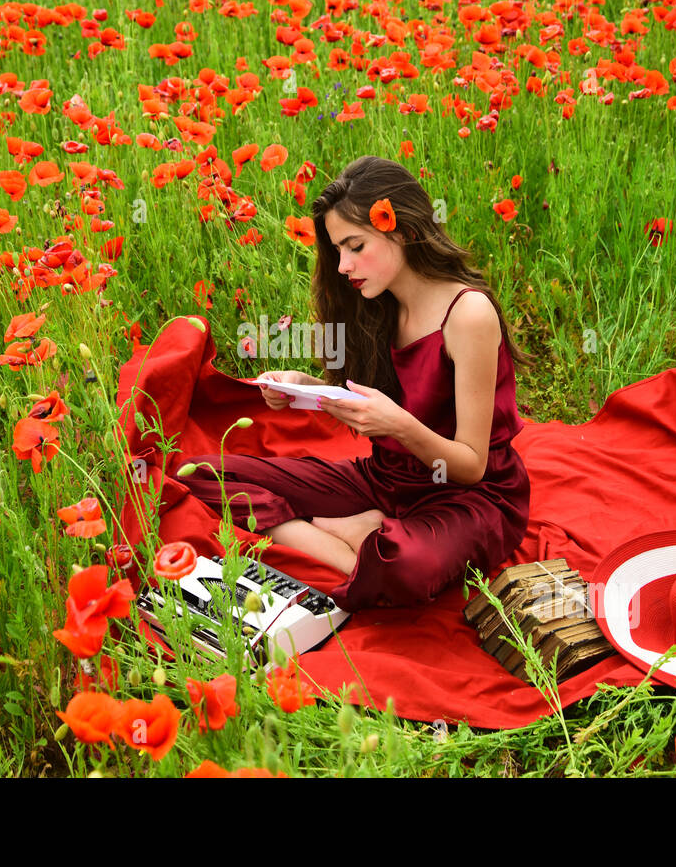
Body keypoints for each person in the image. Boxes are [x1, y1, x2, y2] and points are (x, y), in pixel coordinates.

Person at [175, 155, 532, 610]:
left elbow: (471, 465)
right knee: (205, 473)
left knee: (408, 567)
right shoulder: (377, 304)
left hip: (468, 496)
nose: (343, 265)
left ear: (400, 230)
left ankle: (360, 534)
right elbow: (369, 401)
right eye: (337, 250)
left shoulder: (468, 315)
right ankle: (350, 539)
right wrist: (304, 387)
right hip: (387, 479)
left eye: (355, 246)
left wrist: (397, 425)